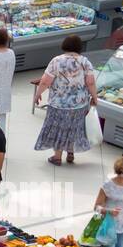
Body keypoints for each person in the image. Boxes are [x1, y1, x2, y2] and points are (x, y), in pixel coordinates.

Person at [33, 34, 97, 166]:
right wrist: (95, 97)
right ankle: (70, 153)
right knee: (74, 128)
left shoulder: (56, 61)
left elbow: (45, 81)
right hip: (79, 104)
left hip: (58, 103)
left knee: (57, 128)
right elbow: (90, 83)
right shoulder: (85, 62)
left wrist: (38, 93)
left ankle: (57, 156)